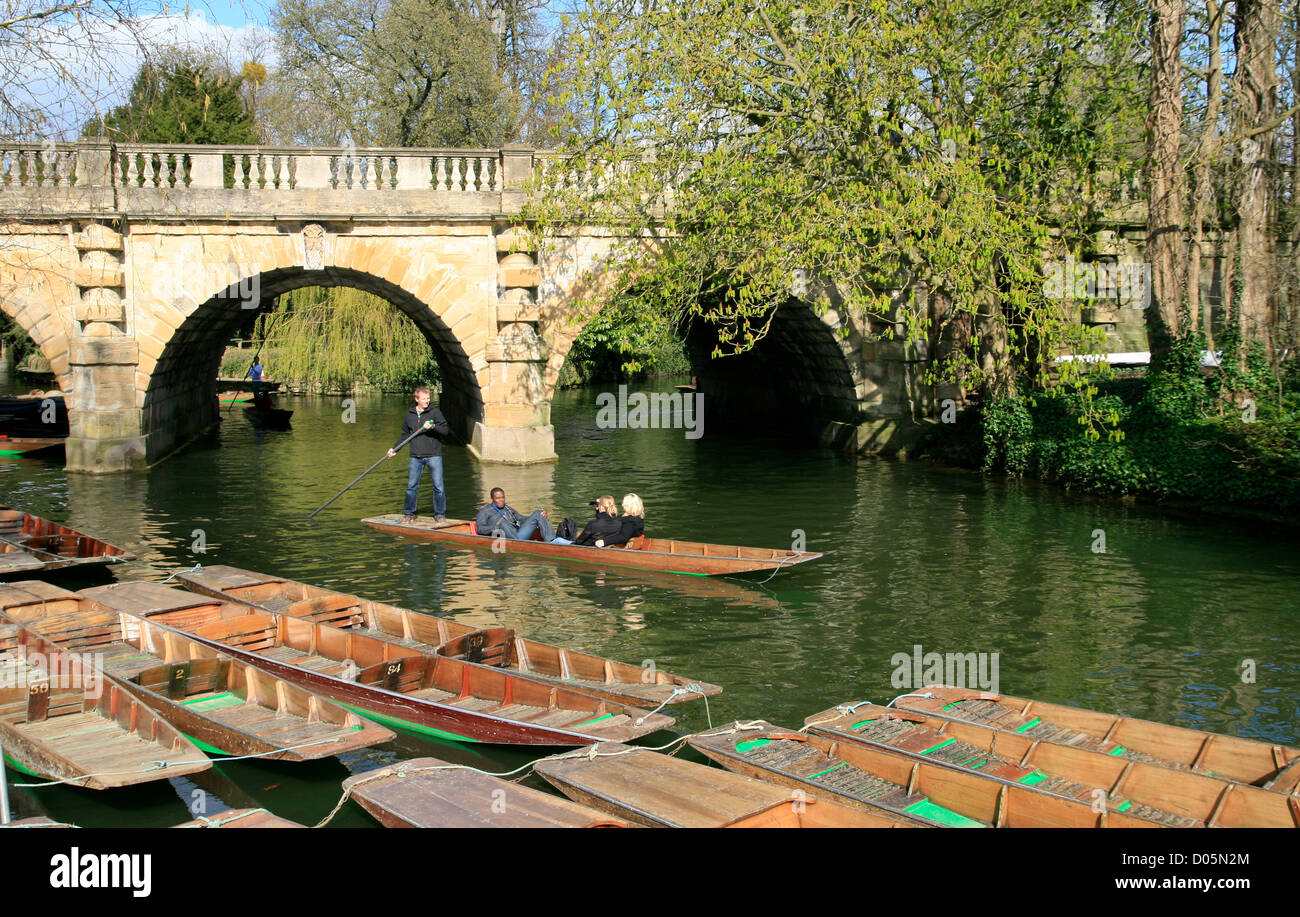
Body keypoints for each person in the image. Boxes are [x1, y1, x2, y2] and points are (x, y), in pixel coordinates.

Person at [387, 386, 450, 524]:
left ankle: (440, 514)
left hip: (434, 455)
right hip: (416, 456)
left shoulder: (435, 413)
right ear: (417, 399)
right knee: (411, 486)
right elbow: (405, 435)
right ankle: (409, 513)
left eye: (428, 398)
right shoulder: (409, 415)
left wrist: (433, 427)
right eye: (424, 399)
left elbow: (445, 430)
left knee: (438, 487)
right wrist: (394, 449)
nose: (427, 401)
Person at [476, 487, 555, 541]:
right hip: (511, 539)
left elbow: (522, 519)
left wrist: (540, 518)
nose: (501, 500)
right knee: (503, 523)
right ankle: (519, 543)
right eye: (498, 498)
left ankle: (551, 541)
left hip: (519, 533)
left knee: (538, 513)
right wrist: (497, 526)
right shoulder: (484, 511)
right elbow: (480, 529)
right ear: (492, 499)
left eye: (502, 497)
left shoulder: (507, 508)